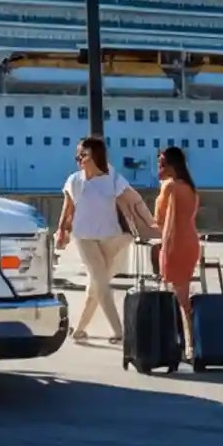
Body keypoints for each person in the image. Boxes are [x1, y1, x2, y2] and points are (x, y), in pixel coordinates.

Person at [55, 136, 157, 344]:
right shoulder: (74, 180)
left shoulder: (113, 178)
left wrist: (151, 224)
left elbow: (133, 201)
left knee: (96, 286)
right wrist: (61, 232)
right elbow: (68, 211)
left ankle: (80, 330)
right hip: (84, 237)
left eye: (83, 154)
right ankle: (120, 332)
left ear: (96, 155)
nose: (78, 158)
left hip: (110, 237)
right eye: (77, 155)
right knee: (101, 281)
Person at [154, 146, 200, 353]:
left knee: (178, 297)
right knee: (182, 293)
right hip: (190, 241)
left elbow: (158, 219)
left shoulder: (169, 187)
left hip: (175, 244)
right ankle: (191, 341)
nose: (159, 167)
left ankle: (187, 343)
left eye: (162, 163)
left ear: (173, 166)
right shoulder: (189, 186)